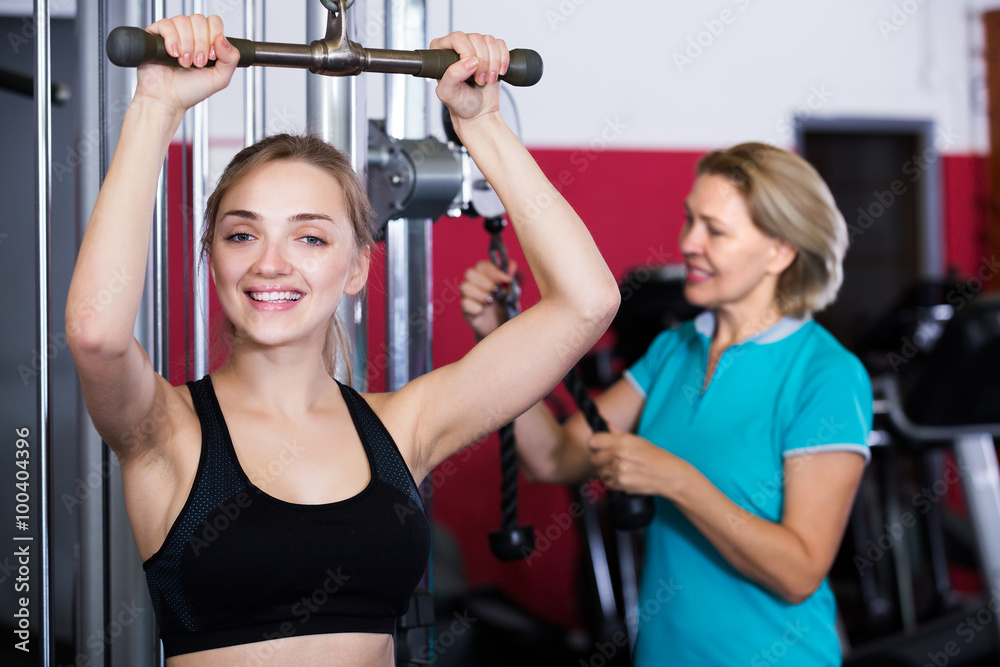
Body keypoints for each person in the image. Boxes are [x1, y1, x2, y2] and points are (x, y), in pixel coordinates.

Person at [65, 14, 619, 666]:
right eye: (242, 234)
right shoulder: (166, 429)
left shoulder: (401, 427)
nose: (271, 262)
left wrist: (481, 124)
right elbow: (98, 335)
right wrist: (155, 106)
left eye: (310, 237)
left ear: (356, 266)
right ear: (211, 258)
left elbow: (588, 301)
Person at [460, 143, 872, 665]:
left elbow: (799, 573)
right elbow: (554, 458)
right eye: (690, 221)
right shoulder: (676, 349)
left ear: (780, 251)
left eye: (715, 230)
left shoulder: (825, 374)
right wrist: (499, 337)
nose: (689, 243)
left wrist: (675, 479)